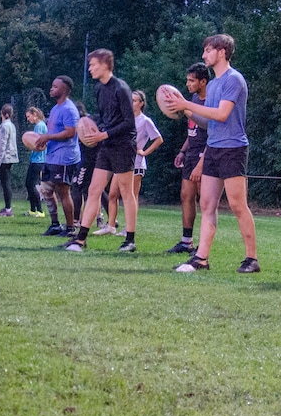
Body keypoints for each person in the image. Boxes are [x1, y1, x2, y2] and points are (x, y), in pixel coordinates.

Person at [165, 34, 260, 273]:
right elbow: (208, 122)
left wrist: (186, 104)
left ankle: (252, 259)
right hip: (214, 148)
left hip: (233, 148)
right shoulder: (215, 83)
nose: (203, 55)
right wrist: (182, 107)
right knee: (207, 204)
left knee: (238, 205)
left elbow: (221, 114)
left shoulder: (233, 79)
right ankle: (201, 259)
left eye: (207, 50)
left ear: (221, 51)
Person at [65, 49, 138, 252]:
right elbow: (103, 116)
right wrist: (87, 122)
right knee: (93, 190)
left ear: (105, 65)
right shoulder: (99, 88)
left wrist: (103, 135)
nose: (90, 68)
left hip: (123, 145)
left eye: (93, 65)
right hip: (106, 145)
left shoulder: (121, 88)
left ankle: (130, 240)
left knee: (126, 192)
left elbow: (129, 122)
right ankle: (80, 239)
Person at [99, 91, 163, 235]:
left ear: (141, 103)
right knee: (113, 193)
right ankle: (110, 226)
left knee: (130, 196)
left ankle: (129, 229)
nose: (130, 102)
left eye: (134, 100)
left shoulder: (145, 121)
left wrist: (145, 152)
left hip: (136, 163)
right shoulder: (124, 119)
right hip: (121, 161)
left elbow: (158, 139)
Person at [168, 62, 210, 254]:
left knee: (205, 201)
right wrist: (183, 151)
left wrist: (201, 164)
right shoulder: (193, 98)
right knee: (186, 195)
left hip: (205, 152)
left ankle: (203, 246)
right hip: (192, 151)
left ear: (203, 81)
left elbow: (210, 129)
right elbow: (193, 128)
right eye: (187, 80)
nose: (188, 84)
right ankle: (187, 241)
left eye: (192, 81)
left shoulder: (209, 100)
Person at [33, 76, 81, 237]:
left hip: (65, 157)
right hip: (52, 156)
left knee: (63, 192)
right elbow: (52, 132)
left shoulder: (69, 109)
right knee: (46, 190)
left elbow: (70, 132)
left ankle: (70, 229)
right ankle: (55, 225)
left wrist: (48, 137)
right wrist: (43, 141)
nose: (51, 89)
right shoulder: (55, 109)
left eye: (55, 86)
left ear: (64, 90)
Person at [0, 104, 18, 217]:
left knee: (5, 183)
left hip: (5, 158)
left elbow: (2, 144)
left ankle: (8, 209)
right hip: (11, 157)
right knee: (6, 182)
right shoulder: (12, 125)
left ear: (4, 114)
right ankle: (8, 207)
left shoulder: (4, 126)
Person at [23, 107, 47, 217]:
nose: (28, 119)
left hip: (39, 160)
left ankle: (40, 211)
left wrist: (30, 145)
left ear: (35, 115)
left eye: (29, 116)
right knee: (29, 184)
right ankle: (32, 210)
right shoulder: (39, 125)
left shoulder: (40, 126)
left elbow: (40, 144)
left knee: (31, 184)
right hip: (35, 159)